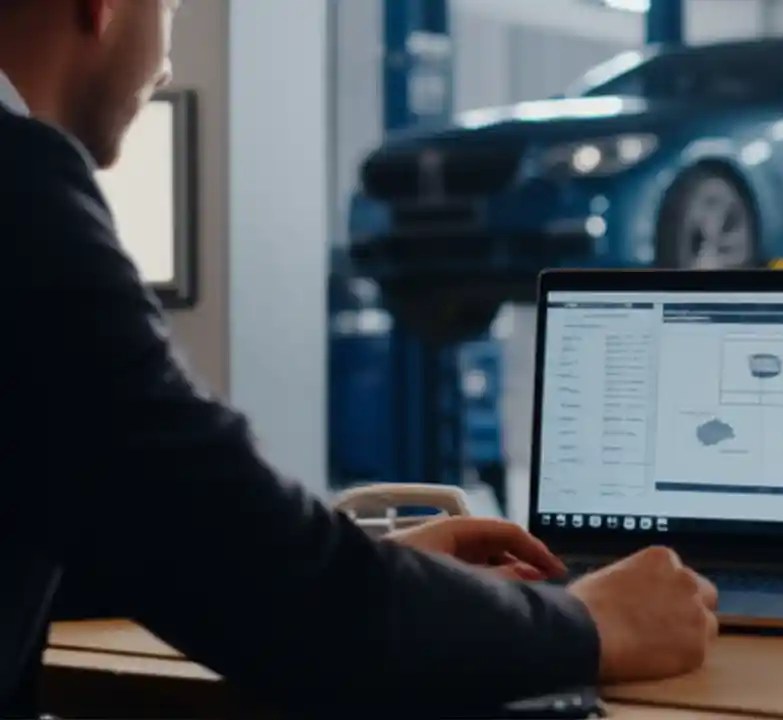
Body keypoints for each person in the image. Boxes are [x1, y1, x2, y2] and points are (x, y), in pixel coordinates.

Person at [0, 0, 718, 716]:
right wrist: (593, 624)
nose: (165, 63)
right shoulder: (24, 195)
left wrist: (391, 576)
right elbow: (303, 615)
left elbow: (149, 539)